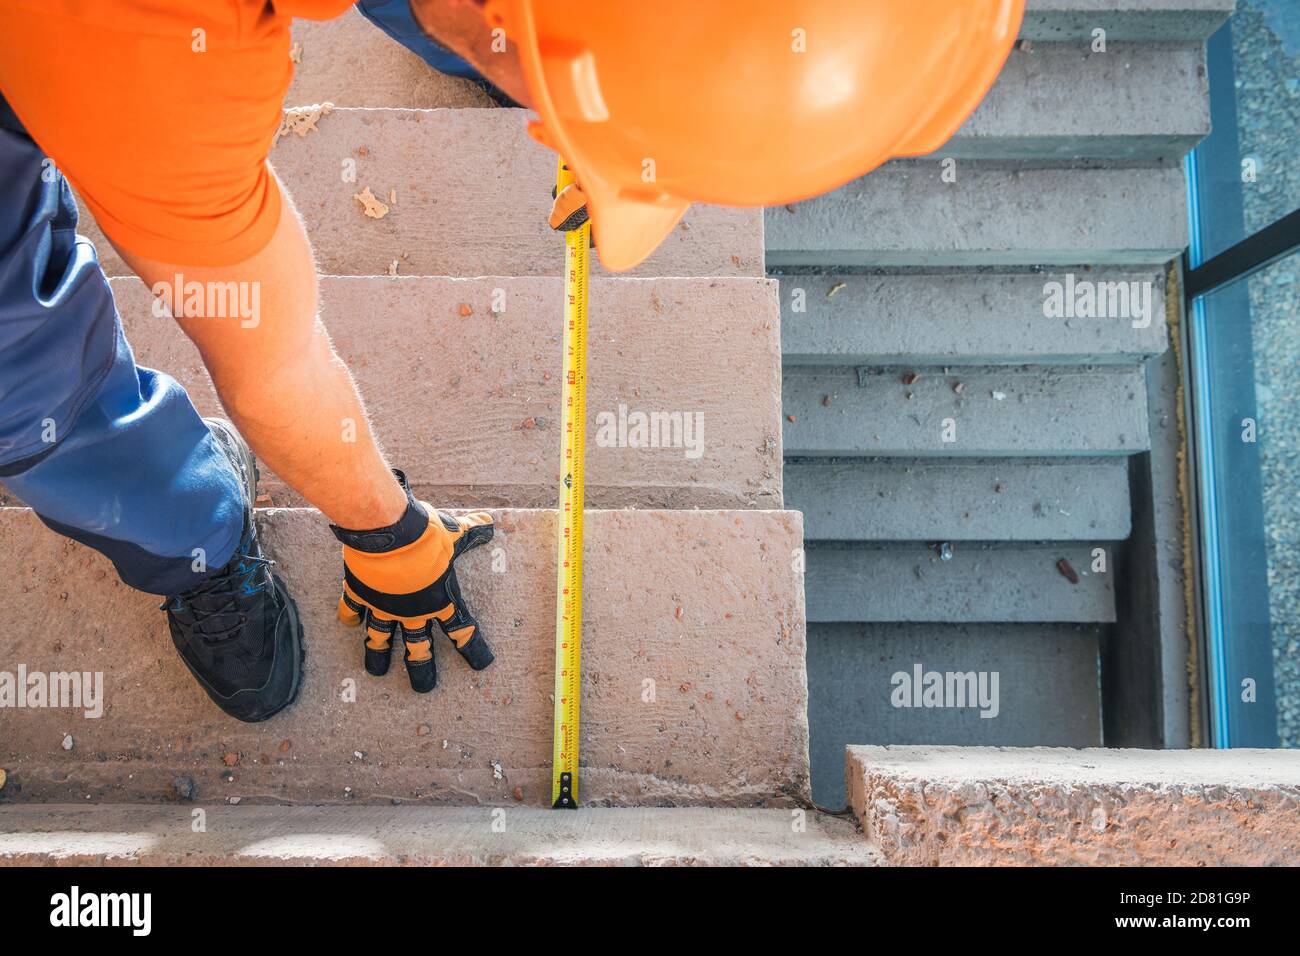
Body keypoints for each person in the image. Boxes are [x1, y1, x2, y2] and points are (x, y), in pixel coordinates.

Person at [0, 0, 1020, 721]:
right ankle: (193, 529)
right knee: (24, 394)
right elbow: (270, 361)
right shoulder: (145, 58)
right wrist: (382, 528)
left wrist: (595, 83)